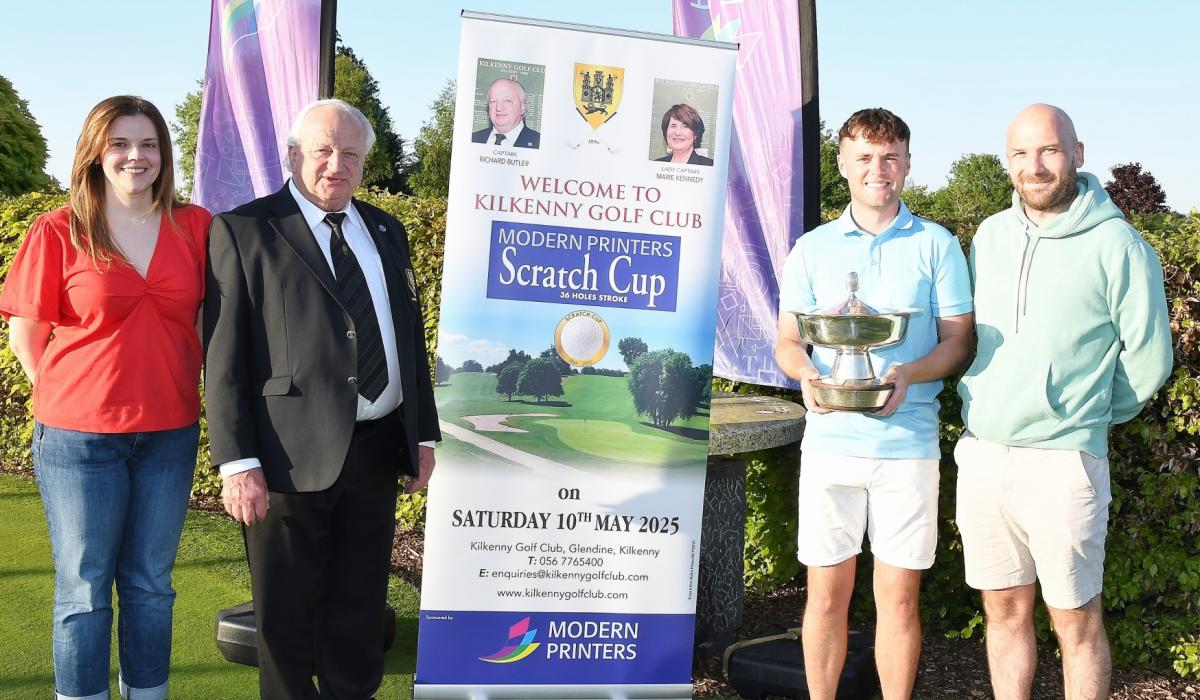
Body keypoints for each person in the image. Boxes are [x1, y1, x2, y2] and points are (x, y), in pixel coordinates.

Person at [203, 98, 440, 699]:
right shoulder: (244, 230)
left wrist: (421, 434)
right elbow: (223, 357)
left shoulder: (385, 229)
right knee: (284, 619)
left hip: (376, 450)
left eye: (351, 154)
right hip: (284, 458)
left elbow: (408, 337)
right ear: (293, 156)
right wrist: (237, 462)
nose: (337, 165)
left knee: (359, 611)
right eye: (324, 151)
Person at [955, 103, 1172, 700]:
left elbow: (1150, 361)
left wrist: (1081, 412)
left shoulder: (1119, 245)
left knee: (1075, 621)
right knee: (1003, 612)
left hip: (1064, 463)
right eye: (1021, 154)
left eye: (1049, 150)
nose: (1035, 166)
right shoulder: (989, 238)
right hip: (985, 455)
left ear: (1077, 154)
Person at [0, 96, 210, 700]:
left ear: (164, 155)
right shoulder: (57, 230)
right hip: (79, 441)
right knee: (84, 589)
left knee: (150, 585)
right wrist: (80, 399)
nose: (134, 156)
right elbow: (26, 338)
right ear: (95, 153)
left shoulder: (196, 227)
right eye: (119, 144)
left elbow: (206, 326)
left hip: (169, 434)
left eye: (148, 144)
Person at [774, 108, 973, 700]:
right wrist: (808, 375)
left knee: (900, 601)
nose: (877, 169)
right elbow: (788, 341)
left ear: (907, 164)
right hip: (830, 445)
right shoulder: (810, 249)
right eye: (863, 157)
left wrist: (909, 374)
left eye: (889, 157)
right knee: (824, 598)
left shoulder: (938, 245)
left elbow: (959, 342)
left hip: (907, 446)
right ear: (842, 164)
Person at [470, 77, 541, 148]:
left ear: (523, 107)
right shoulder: (474, 138)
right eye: (493, 101)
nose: (498, 108)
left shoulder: (539, 143)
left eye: (507, 101)